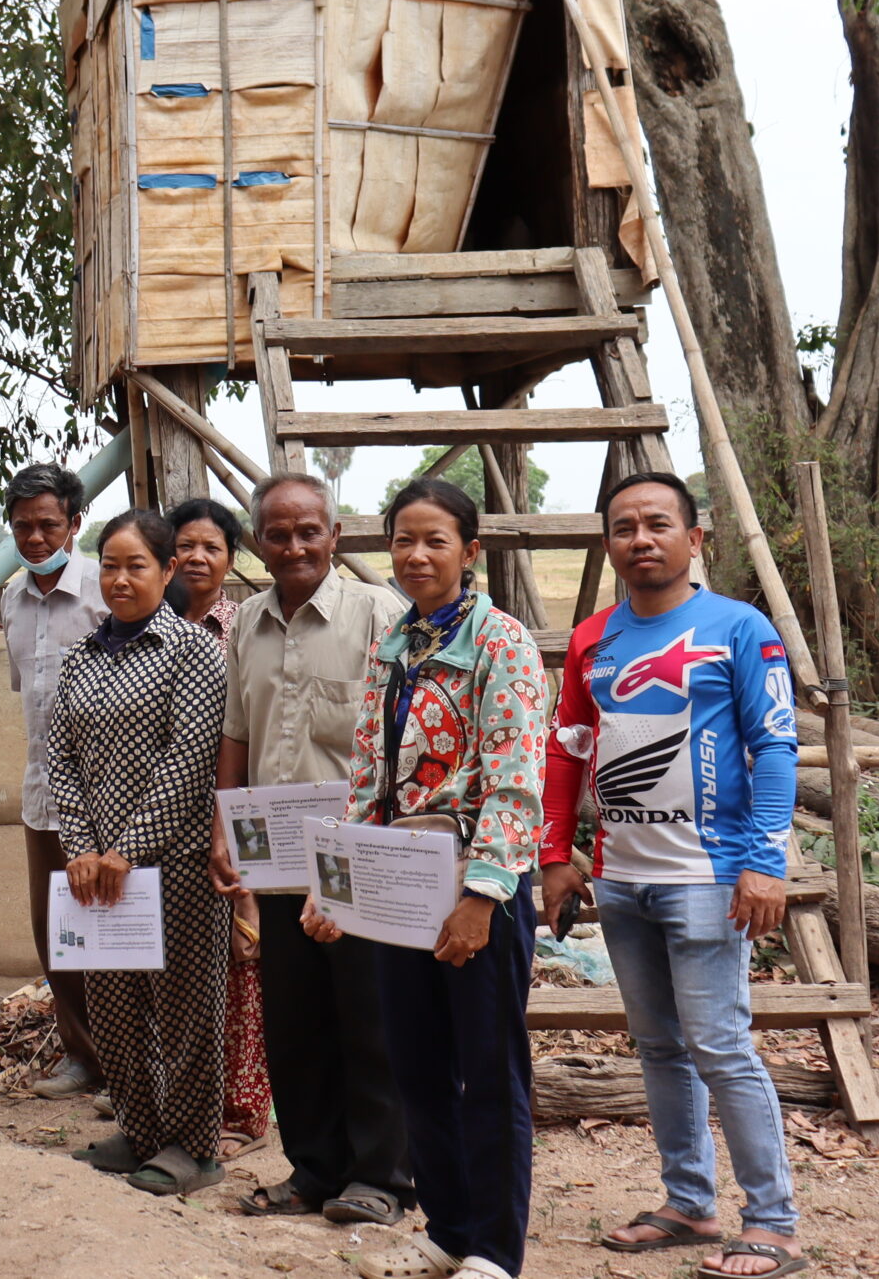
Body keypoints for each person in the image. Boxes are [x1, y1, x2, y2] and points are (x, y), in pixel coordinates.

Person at [541, 473, 805, 1279]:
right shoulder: (593, 637)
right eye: (624, 527)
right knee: (658, 1046)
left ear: (696, 539)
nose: (641, 538)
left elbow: (775, 745)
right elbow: (568, 748)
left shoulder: (739, 627)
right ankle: (689, 1200)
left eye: (659, 523)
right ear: (609, 544)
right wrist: (556, 854)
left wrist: (764, 862)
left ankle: (773, 1222)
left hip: (712, 879)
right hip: (623, 881)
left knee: (721, 1045)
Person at [304, 478, 548, 1279]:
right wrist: (333, 883)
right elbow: (366, 777)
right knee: (417, 1066)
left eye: (435, 539)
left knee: (490, 1070)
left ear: (470, 551)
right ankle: (448, 1229)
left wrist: (482, 897)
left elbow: (515, 783)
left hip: (481, 891)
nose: (415, 555)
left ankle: (496, 1250)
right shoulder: (393, 645)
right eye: (403, 539)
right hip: (399, 885)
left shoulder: (501, 643)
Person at [211, 474, 411, 1227]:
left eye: (307, 532)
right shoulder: (248, 622)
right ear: (258, 541)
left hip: (362, 852)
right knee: (295, 1022)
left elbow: (403, 738)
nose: (293, 546)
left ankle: (381, 1178)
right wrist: (223, 826)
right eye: (276, 533)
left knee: (369, 1017)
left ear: (334, 536)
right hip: (278, 857)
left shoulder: (377, 614)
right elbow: (238, 729)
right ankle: (312, 1171)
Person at [49, 508, 230, 1198]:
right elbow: (60, 757)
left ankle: (193, 1148)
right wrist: (84, 848)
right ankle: (141, 1130)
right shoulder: (81, 655)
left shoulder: (190, 650)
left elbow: (187, 759)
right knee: (116, 1006)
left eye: (137, 565)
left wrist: (129, 847)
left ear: (167, 570)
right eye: (111, 564)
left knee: (185, 1010)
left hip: (174, 864)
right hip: (96, 871)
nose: (121, 579)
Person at [162, 496, 268, 1159]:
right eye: (187, 545)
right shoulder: (154, 622)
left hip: (235, 810)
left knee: (241, 960)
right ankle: (176, 1096)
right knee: (174, 964)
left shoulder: (244, 627)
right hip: (166, 822)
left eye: (213, 546)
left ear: (232, 557)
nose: (198, 557)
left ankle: (243, 1109)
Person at [0, 461, 106, 1100]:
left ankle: (129, 1065)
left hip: (104, 798)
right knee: (57, 929)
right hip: (43, 794)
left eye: (47, 525)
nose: (35, 539)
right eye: (22, 527)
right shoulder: (12, 597)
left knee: (113, 929)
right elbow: (28, 698)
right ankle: (82, 1057)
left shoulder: (102, 591)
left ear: (73, 524)